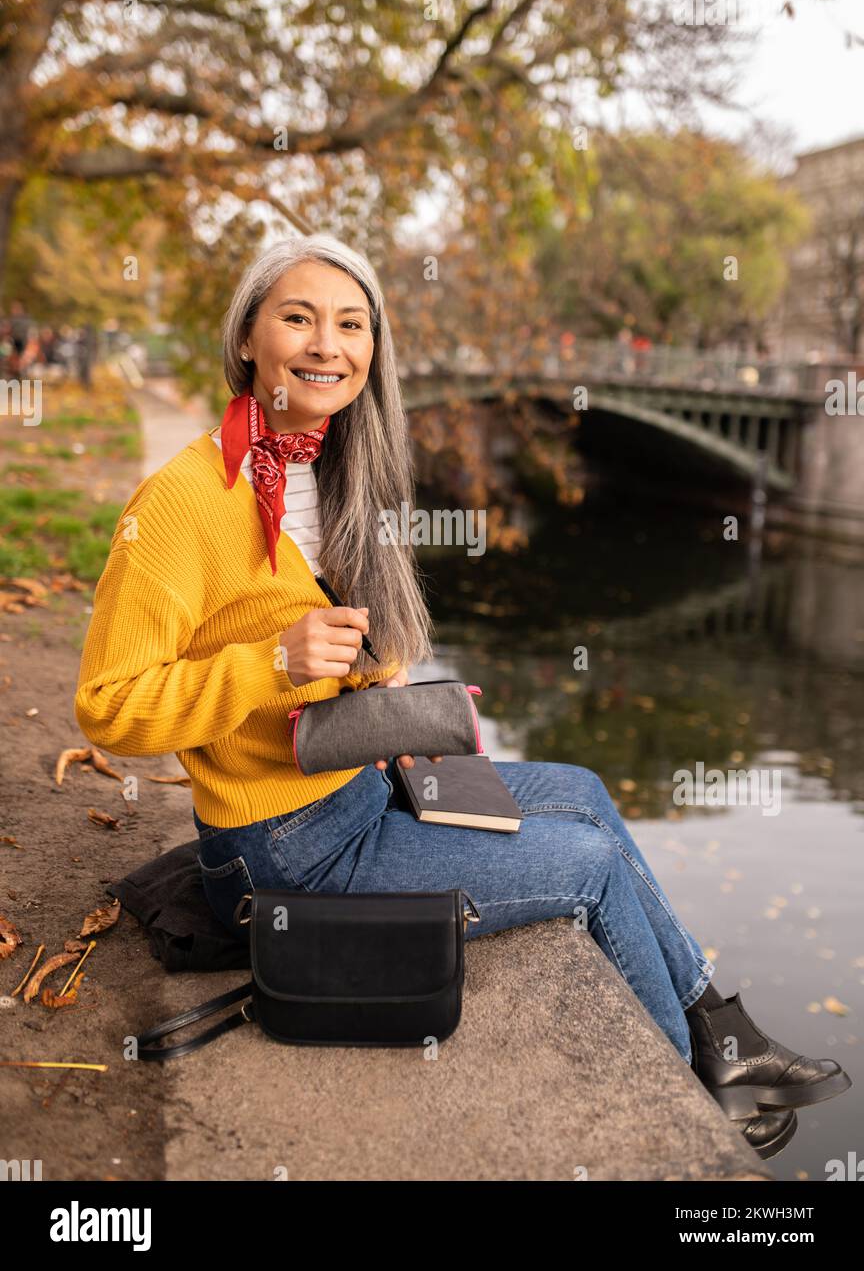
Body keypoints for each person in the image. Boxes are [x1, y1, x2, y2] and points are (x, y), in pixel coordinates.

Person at [74, 234, 851, 1161]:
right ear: (247, 337)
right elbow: (108, 707)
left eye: (352, 324)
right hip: (288, 850)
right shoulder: (180, 504)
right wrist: (266, 662)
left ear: (374, 348)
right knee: (589, 866)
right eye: (299, 317)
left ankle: (727, 1037)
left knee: (589, 791)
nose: (328, 344)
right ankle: (693, 1090)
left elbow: (336, 643)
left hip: (355, 785)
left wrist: (383, 691)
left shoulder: (335, 468)